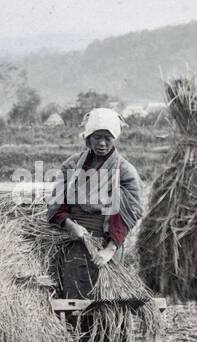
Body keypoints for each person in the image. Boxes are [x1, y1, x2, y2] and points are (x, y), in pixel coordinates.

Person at [45, 107, 143, 299]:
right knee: (74, 297)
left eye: (108, 138)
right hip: (74, 240)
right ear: (87, 138)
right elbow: (58, 202)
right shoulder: (72, 165)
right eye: (97, 137)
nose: (102, 143)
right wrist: (69, 224)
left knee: (106, 300)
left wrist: (109, 249)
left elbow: (128, 212)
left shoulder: (125, 171)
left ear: (115, 139)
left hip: (108, 241)